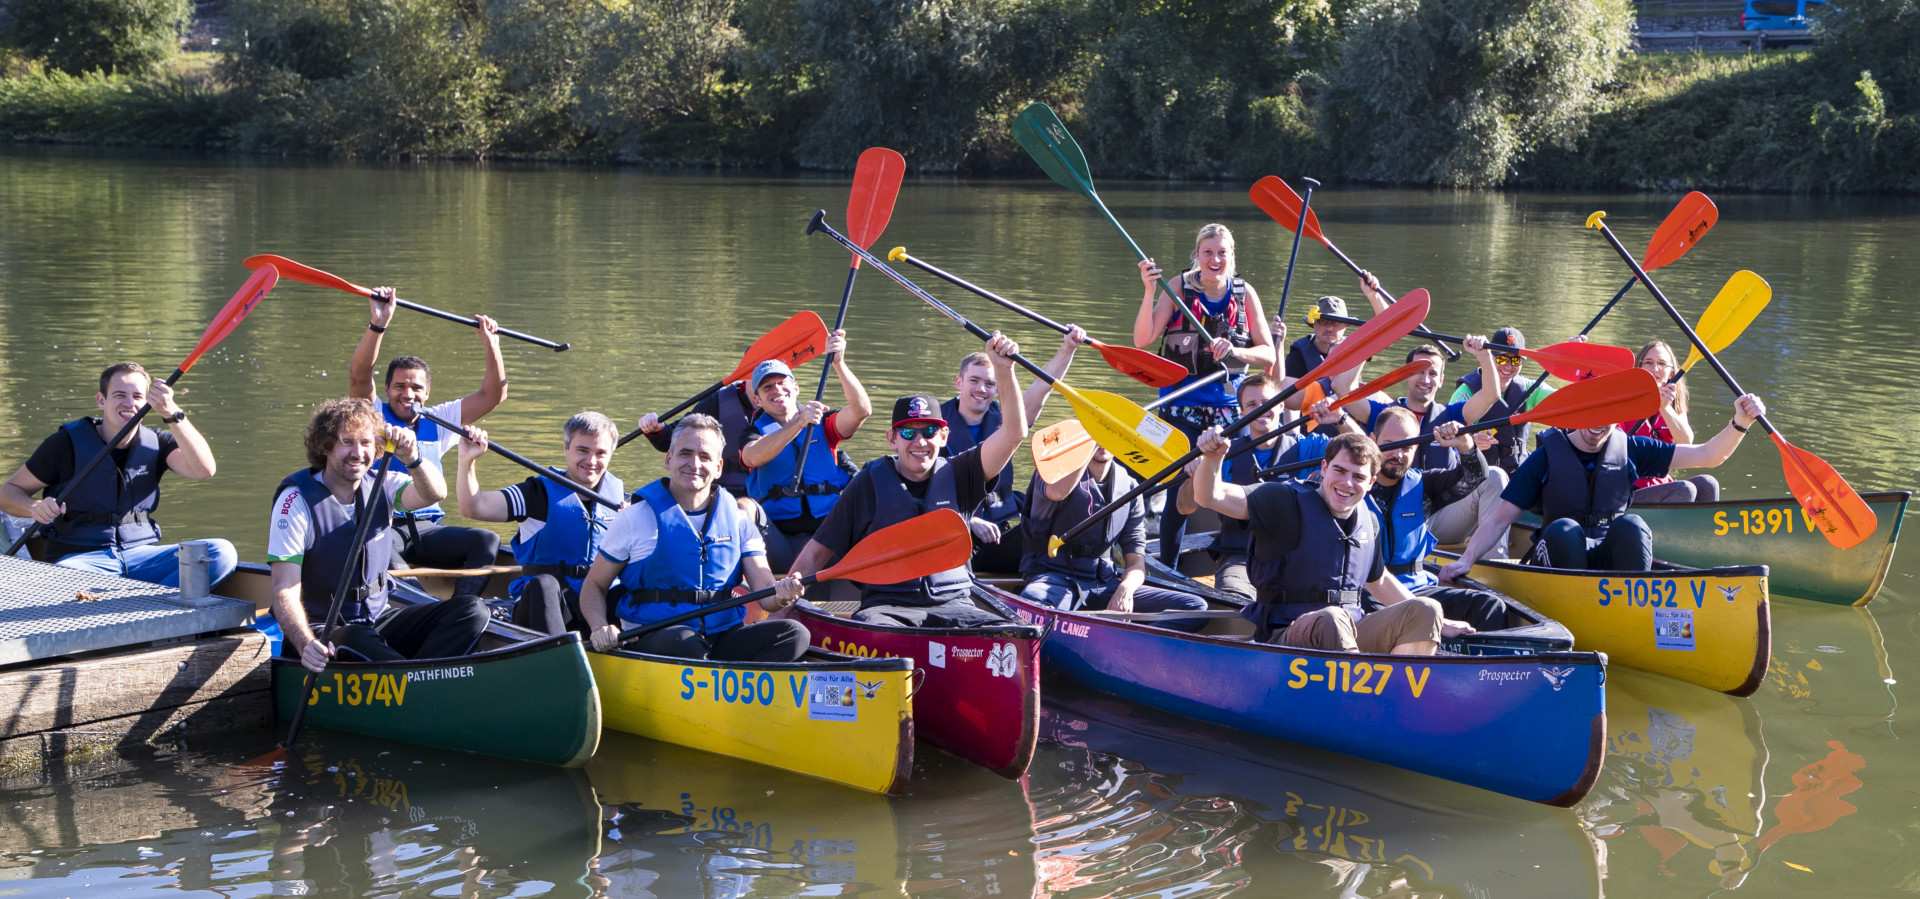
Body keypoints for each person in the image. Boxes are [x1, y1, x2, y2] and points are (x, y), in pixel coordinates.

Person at [790, 332, 1029, 628]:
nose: (919, 441)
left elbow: (1014, 433)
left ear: (943, 436)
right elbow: (816, 552)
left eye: (929, 432)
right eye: (907, 433)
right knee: (875, 627)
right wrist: (779, 609)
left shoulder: (963, 473)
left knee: (1012, 632)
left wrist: (1004, 369)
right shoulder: (867, 483)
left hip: (954, 603)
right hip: (888, 608)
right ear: (891, 439)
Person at [1192, 430, 1470, 654]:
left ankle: (1400, 696)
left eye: (1358, 476)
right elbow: (1210, 497)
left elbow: (1380, 581)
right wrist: (1213, 458)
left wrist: (1441, 623)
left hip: (1351, 631)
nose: (1347, 483)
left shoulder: (1368, 521)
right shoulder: (1282, 499)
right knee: (1333, 619)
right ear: (1324, 467)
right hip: (1284, 635)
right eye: (1340, 470)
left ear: (1371, 482)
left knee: (1427, 609)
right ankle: (1358, 706)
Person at [270, 398, 489, 673]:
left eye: (365, 443)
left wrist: (412, 457)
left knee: (471, 610)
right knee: (354, 638)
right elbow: (284, 588)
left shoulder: (384, 482)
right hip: (322, 631)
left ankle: (417, 679)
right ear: (325, 445)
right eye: (346, 442)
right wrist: (304, 643)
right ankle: (414, 682)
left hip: (377, 617)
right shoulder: (295, 500)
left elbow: (434, 493)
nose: (357, 452)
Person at [1439, 393, 1767, 576]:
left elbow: (1708, 456)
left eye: (1607, 418)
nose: (1598, 427)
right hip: (1558, 555)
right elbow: (1499, 518)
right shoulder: (1546, 456)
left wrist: (1741, 422)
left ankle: (1633, 601)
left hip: (1608, 554)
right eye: (1591, 417)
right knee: (1566, 530)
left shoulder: (1631, 447)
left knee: (1633, 525)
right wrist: (1466, 561)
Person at [577, 415, 808, 661]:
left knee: (795, 634)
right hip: (657, 635)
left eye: (705, 456)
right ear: (669, 459)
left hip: (723, 633)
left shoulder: (739, 519)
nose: (694, 463)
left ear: (718, 467)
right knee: (685, 643)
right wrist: (599, 626)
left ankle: (731, 684)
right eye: (685, 453)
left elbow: (766, 595)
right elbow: (594, 585)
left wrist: (782, 596)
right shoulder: (635, 518)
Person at [0, 362, 237, 586]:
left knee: (221, 552)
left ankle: (149, 610)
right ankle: (150, 610)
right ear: (101, 400)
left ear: (148, 402)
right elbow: (8, 493)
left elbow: (204, 470)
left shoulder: (158, 442)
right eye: (119, 395)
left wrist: (172, 412)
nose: (129, 403)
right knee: (68, 578)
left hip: (142, 556)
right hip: (82, 562)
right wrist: (35, 507)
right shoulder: (64, 444)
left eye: (137, 397)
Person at [1129, 224, 1276, 567]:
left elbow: (1268, 356)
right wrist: (1150, 290)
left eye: (1222, 252)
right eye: (1207, 252)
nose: (1215, 259)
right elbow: (1142, 339)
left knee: (1238, 481)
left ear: (1232, 256)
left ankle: (1239, 559)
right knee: (1178, 487)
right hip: (1182, 405)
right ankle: (1167, 568)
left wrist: (1238, 350)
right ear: (1197, 255)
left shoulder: (1244, 293)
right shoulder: (1179, 286)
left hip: (1228, 409)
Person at [349, 287, 509, 598]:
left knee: (487, 541)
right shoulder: (372, 414)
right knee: (378, 550)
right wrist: (378, 323)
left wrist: (492, 345)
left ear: (427, 393)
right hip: (384, 526)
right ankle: (419, 610)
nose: (407, 394)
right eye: (399, 386)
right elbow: (359, 375)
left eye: (416, 388)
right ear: (387, 388)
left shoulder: (439, 419)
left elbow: (494, 395)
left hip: (427, 528)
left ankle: (460, 609)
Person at [453, 412, 625, 636]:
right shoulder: (536, 494)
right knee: (544, 584)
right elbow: (474, 507)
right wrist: (467, 461)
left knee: (631, 587)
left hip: (597, 609)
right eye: (582, 450)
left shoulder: (621, 500)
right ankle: (559, 656)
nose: (591, 461)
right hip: (544, 608)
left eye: (600, 453)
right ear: (566, 448)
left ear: (610, 454)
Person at [1019, 442, 1209, 630]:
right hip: (1055, 579)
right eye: (1096, 434)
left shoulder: (1130, 487)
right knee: (1034, 605)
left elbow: (1136, 563)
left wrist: (1125, 588)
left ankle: (1133, 646)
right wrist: (1086, 446)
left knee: (1195, 608)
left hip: (1104, 584)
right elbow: (1056, 492)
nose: (1102, 441)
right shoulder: (1055, 473)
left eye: (1108, 435)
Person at [946, 329, 1087, 573]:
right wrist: (968, 520)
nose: (982, 389)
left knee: (1058, 517)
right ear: (959, 382)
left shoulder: (1006, 421)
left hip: (998, 533)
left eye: (990, 384)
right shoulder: (930, 430)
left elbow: (1042, 388)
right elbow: (919, 492)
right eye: (974, 381)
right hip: (955, 537)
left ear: (998, 390)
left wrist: (1068, 348)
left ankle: (1075, 576)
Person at [1354, 339, 1511, 557]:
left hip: (1440, 514)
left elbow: (1491, 395)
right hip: (1392, 514)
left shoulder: (1453, 416)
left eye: (1433, 373)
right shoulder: (1382, 415)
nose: (1426, 379)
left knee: (1495, 475)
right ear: (1405, 375)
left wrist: (1484, 355)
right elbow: (1343, 389)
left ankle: (1492, 564)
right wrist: (1374, 340)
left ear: (1441, 380)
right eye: (1418, 371)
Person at [1365, 406, 1509, 632]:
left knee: (1490, 606)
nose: (1398, 455)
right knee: (1371, 609)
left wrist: (1465, 445)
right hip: (1370, 593)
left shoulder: (1424, 485)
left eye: (1407, 448)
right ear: (1372, 440)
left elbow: (1476, 477)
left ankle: (1480, 665)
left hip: (1417, 587)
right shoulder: (1353, 486)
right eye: (1390, 445)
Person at [739, 330, 870, 572]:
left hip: (828, 540)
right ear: (757, 400)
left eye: (782, 383)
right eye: (767, 387)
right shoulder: (752, 432)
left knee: (875, 496)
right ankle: (761, 586)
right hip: (777, 545)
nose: (776, 389)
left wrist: (839, 363)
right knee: (743, 507)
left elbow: (861, 411)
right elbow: (753, 456)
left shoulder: (825, 423)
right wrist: (798, 423)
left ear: (796, 387)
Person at [1169, 372, 1297, 600]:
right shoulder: (1222, 453)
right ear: (1242, 412)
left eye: (1267, 403)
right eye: (1252, 405)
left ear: (1281, 405)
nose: (1260, 409)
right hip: (1239, 557)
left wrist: (1338, 420)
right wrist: (1193, 475)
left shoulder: (1307, 448)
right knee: (1233, 596)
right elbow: (1184, 507)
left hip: (1291, 557)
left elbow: (1364, 455)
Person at [1622, 339, 1720, 504]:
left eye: (1661, 363)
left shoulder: (1674, 404)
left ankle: (1702, 530)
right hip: (1625, 489)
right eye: (1648, 363)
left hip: (1659, 484)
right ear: (1638, 368)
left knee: (1707, 484)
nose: (1655, 369)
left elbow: (1686, 442)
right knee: (1684, 489)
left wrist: (1664, 407)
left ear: (1672, 373)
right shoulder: (1623, 398)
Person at [1444, 325, 1550, 474]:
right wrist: (1470, 442)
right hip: (1478, 475)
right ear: (1491, 356)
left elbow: (1567, 399)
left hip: (1518, 471)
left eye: (1516, 361)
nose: (1508, 366)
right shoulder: (1465, 392)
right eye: (1502, 358)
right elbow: (1447, 444)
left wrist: (1573, 363)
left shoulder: (1531, 389)